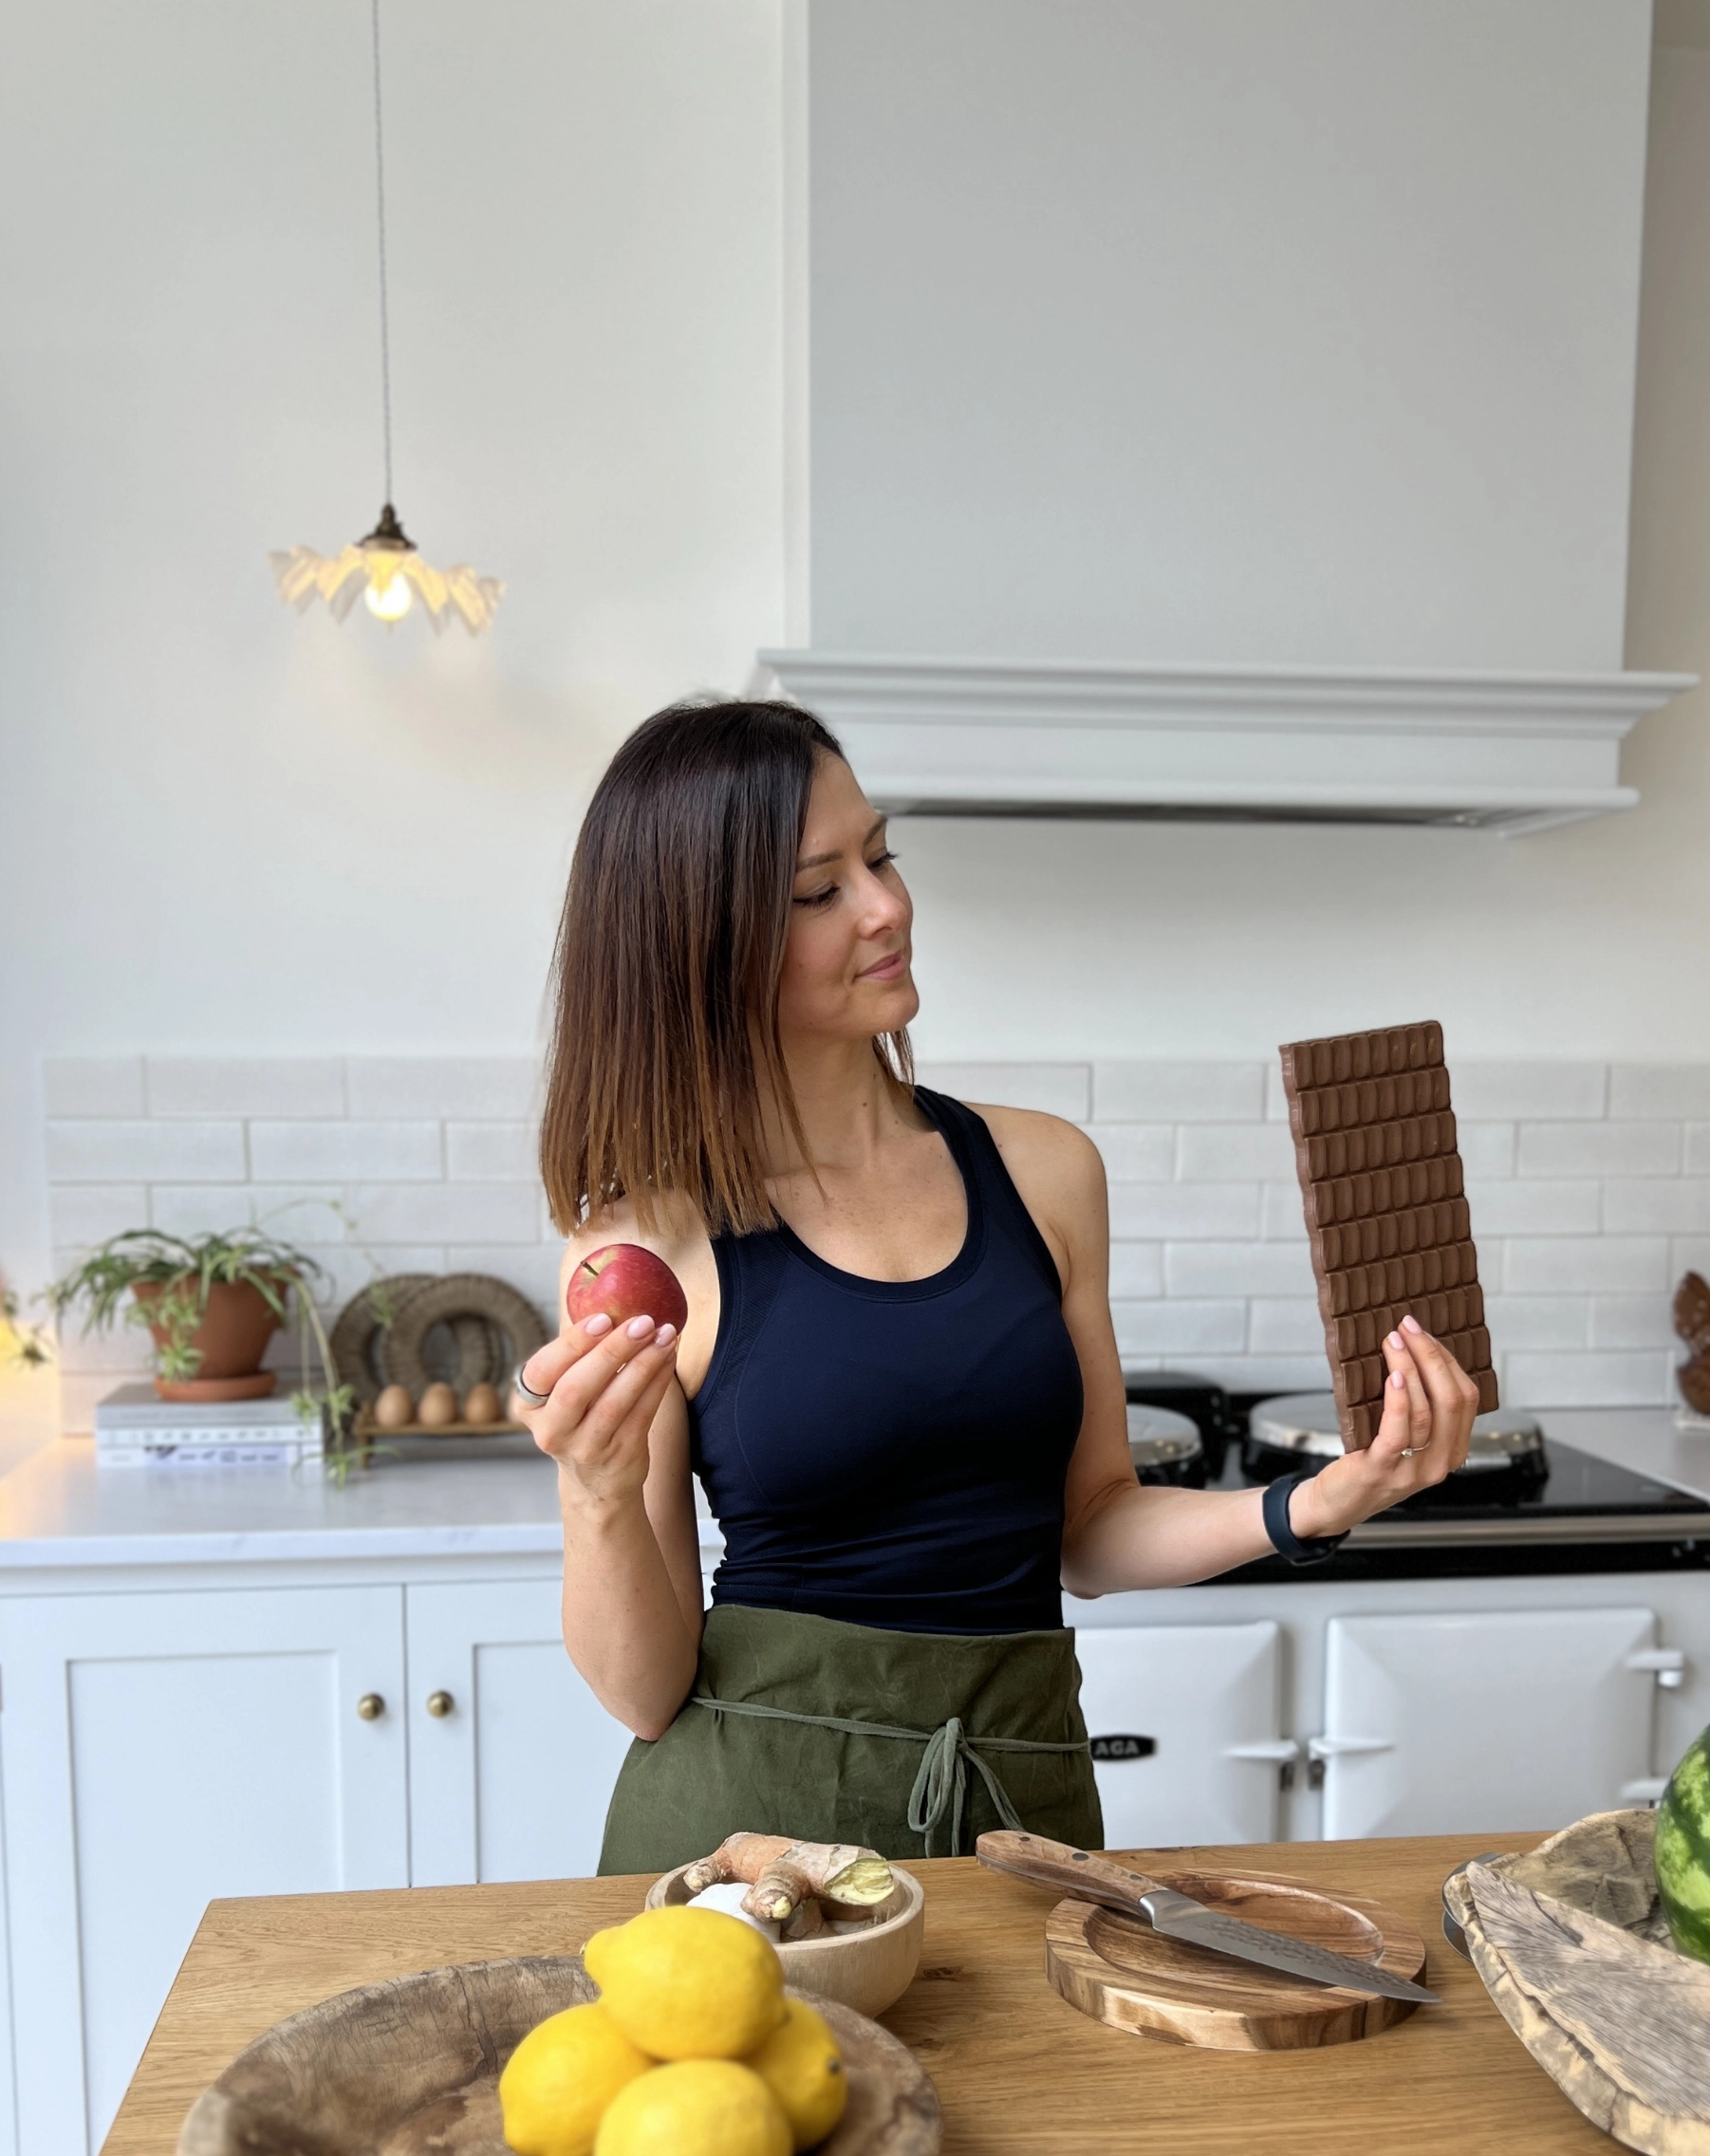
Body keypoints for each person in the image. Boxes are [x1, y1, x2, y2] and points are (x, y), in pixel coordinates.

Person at [511, 697, 1478, 1873]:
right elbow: (646, 1692)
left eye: (880, 855)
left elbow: (1091, 1526)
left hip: (1021, 1813)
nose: (887, 907)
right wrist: (597, 1496)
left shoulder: (1045, 1171)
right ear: (699, 947)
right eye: (820, 890)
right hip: (748, 1840)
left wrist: (1313, 1504)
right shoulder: (651, 1248)